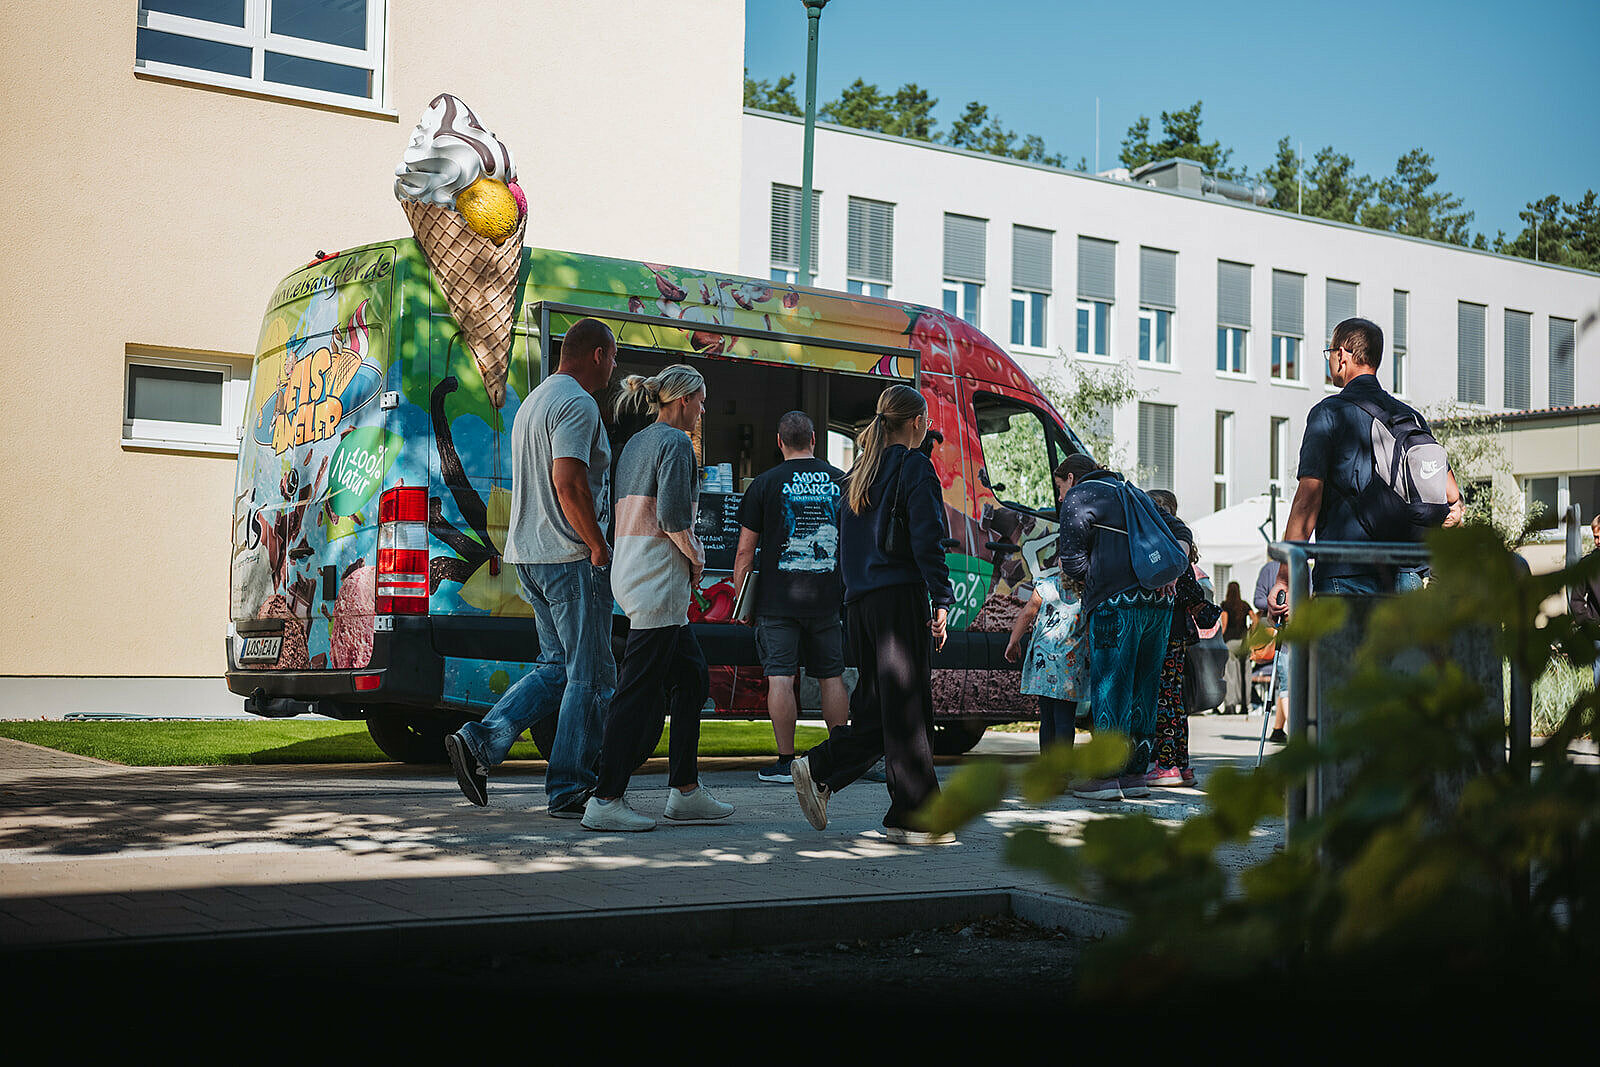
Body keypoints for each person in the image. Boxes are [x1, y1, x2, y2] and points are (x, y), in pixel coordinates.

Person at [444, 318, 617, 816]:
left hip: (529, 556)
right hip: (568, 557)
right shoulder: (578, 404)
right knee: (592, 677)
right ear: (598, 354)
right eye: (613, 357)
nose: (613, 368)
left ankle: (481, 741)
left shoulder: (535, 401)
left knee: (557, 669)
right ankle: (568, 787)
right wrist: (597, 544)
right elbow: (569, 482)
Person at [790, 384, 955, 845]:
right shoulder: (915, 467)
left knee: (878, 710)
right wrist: (942, 598)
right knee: (908, 709)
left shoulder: (858, 473)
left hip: (860, 606)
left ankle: (820, 769)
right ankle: (914, 816)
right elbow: (927, 541)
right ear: (919, 423)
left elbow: (845, 549)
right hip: (897, 602)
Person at [581, 364, 734, 832]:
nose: (703, 409)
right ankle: (605, 798)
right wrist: (700, 557)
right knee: (637, 693)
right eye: (701, 400)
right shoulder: (674, 444)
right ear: (683, 400)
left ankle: (685, 790)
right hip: (659, 577)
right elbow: (672, 520)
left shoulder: (637, 443)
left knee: (692, 679)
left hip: (632, 571)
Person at [1268, 317, 1464, 613]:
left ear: (1342, 355)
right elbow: (1452, 497)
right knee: (1398, 660)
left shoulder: (1328, 413)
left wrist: (1285, 577)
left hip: (1345, 575)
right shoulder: (1409, 418)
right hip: (1405, 577)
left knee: (1343, 660)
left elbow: (1307, 500)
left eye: (1330, 353)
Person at [1055, 455, 1193, 800]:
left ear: (1070, 478)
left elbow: (1071, 561)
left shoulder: (1081, 496)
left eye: (1059, 487)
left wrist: (1104, 577)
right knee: (1144, 686)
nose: (1060, 498)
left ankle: (1104, 777)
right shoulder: (1134, 493)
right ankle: (1135, 774)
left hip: (1114, 605)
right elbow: (1181, 531)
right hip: (1158, 606)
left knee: (1110, 686)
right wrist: (1168, 572)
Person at [732, 411, 850, 784]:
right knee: (832, 677)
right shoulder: (842, 482)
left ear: (780, 442)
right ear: (814, 439)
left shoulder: (765, 484)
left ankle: (786, 762)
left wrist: (741, 603)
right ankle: (841, 757)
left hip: (776, 602)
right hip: (828, 599)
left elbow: (744, 554)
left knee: (780, 679)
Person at [1005, 459, 1089, 749]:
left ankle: (1048, 769)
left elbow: (1026, 615)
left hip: (1043, 666)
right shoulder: (1086, 594)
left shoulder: (1046, 586)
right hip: (1070, 667)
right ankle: (1061, 769)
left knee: (1048, 719)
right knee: (1065, 720)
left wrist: (1013, 642)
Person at [1147, 489, 1200, 787]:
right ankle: (1182, 764)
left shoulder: (1166, 547)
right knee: (1175, 699)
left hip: (1166, 631)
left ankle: (1165, 765)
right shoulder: (1183, 548)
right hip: (1178, 633)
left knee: (1163, 699)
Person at [1567, 513, 1600, 689]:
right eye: (1595, 537)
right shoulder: (1588, 565)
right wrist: (1590, 624)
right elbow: (1577, 600)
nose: (1598, 541)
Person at [1219, 580, 1252, 716]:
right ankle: (1245, 705)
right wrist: (1250, 632)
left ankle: (1230, 705)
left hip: (1230, 643)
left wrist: (1219, 639)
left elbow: (1224, 624)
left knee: (1230, 674)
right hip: (1244, 642)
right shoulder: (1244, 605)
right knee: (1245, 674)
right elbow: (1254, 619)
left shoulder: (1225, 605)